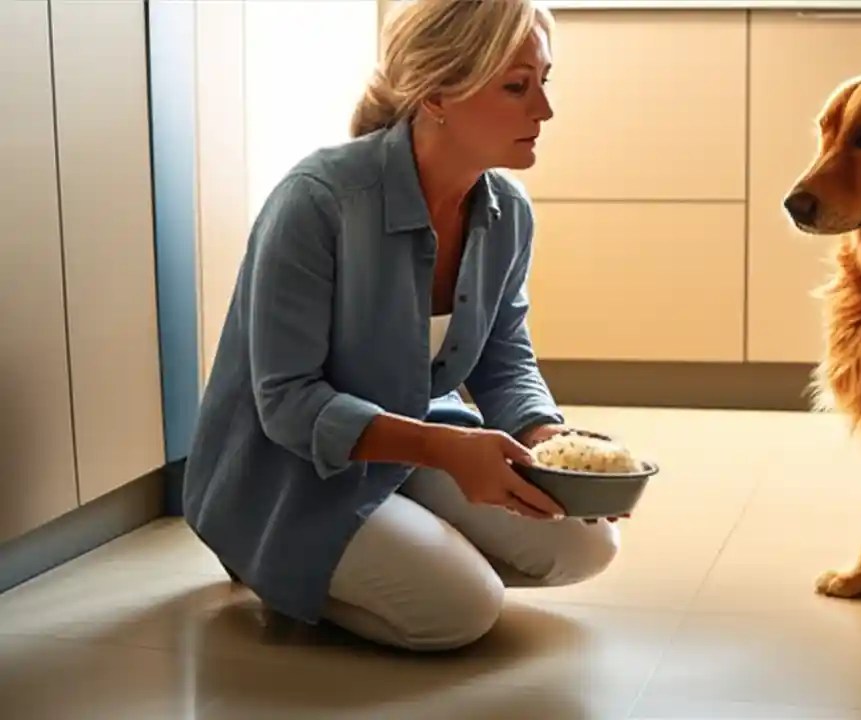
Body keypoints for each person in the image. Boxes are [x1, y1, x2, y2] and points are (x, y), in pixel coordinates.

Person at [182, 0, 621, 652]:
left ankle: (402, 545)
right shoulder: (318, 200)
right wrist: (445, 453)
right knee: (462, 611)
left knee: (586, 543)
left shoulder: (506, 213)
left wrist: (548, 442)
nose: (544, 111)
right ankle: (272, 558)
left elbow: (505, 357)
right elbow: (287, 403)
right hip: (290, 472)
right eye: (516, 87)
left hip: (411, 446)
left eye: (544, 83)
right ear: (441, 90)